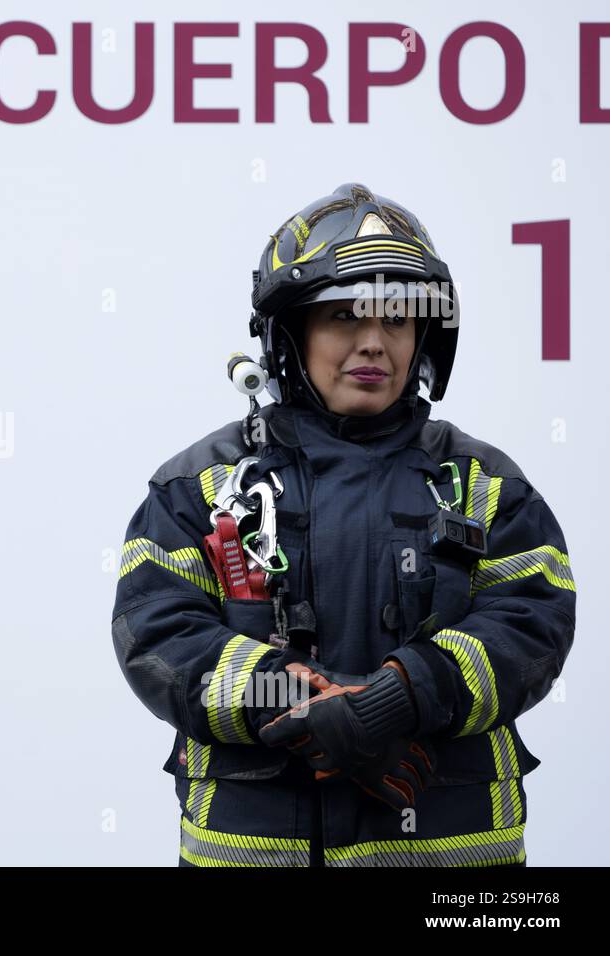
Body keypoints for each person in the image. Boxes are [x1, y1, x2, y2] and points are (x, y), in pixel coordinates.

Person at [111, 183, 576, 867]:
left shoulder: (487, 485)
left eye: (396, 319)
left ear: (425, 337)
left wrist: (403, 696)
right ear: (288, 335)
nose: (373, 343)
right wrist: (297, 699)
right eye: (342, 317)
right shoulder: (199, 488)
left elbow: (532, 624)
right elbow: (156, 637)